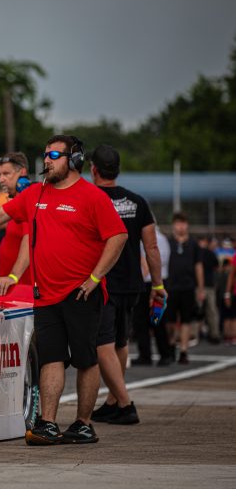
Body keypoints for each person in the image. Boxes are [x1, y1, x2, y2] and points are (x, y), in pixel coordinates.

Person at [0, 135, 127, 446]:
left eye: (55, 155)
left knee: (85, 360)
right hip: (45, 294)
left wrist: (95, 278)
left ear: (74, 160)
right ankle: (47, 423)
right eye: (45, 155)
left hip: (81, 293)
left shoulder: (92, 197)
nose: (47, 161)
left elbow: (118, 237)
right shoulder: (36, 193)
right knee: (51, 357)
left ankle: (83, 423)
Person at [88, 145, 165, 425]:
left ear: (93, 169)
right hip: (133, 283)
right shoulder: (138, 202)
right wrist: (157, 285)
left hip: (103, 280)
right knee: (120, 342)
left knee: (101, 345)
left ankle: (125, 403)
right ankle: (112, 402)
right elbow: (152, 248)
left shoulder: (91, 199)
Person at [165, 212, 205, 364]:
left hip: (188, 287)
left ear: (187, 225)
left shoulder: (193, 244)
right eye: (178, 223)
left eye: (183, 223)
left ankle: (183, 350)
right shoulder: (168, 243)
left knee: (186, 320)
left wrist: (200, 288)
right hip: (170, 287)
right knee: (169, 321)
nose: (180, 226)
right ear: (173, 225)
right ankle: (170, 345)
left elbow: (198, 266)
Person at [0, 152, 33, 296]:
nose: (1, 179)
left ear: (22, 172)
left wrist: (13, 276)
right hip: (10, 289)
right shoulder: (16, 201)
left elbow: (30, 239)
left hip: (23, 291)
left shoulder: (28, 200)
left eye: (6, 173)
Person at [133, 226, 174, 365]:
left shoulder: (149, 239)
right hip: (158, 282)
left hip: (151, 283)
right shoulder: (161, 238)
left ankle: (153, 355)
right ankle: (161, 354)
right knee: (155, 320)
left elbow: (151, 261)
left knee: (149, 321)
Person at [197, 236, 221, 343]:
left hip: (198, 286)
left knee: (196, 311)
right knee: (211, 311)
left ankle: (194, 334)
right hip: (209, 286)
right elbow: (217, 267)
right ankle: (214, 334)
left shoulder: (196, 252)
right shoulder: (210, 253)